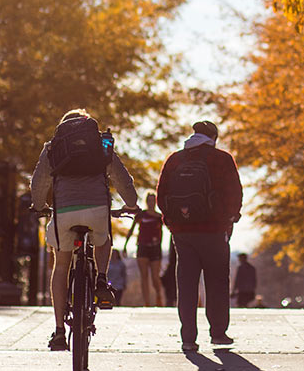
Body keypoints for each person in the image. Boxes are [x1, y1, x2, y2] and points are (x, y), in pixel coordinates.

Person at [31, 109, 139, 352]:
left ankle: (59, 331)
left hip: (64, 212)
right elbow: (121, 179)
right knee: (103, 239)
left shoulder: (53, 147)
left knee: (61, 268)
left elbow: (40, 181)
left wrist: (39, 206)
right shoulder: (101, 144)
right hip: (98, 209)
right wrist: (131, 204)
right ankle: (101, 279)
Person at [157, 120, 243, 352]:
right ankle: (218, 333)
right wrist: (231, 219)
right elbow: (234, 192)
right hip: (214, 230)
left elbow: (161, 194)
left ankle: (188, 338)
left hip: (183, 234)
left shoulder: (175, 159)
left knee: (186, 284)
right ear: (213, 137)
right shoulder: (222, 159)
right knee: (216, 281)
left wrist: (172, 222)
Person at [131, 191, 166, 306]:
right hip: (142, 247)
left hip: (155, 248)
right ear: (146, 202)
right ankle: (146, 302)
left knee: (155, 277)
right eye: (149, 200)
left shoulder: (159, 217)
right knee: (144, 276)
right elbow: (132, 229)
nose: (151, 203)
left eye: (153, 201)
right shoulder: (141, 215)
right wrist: (126, 245)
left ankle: (158, 294)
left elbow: (163, 232)